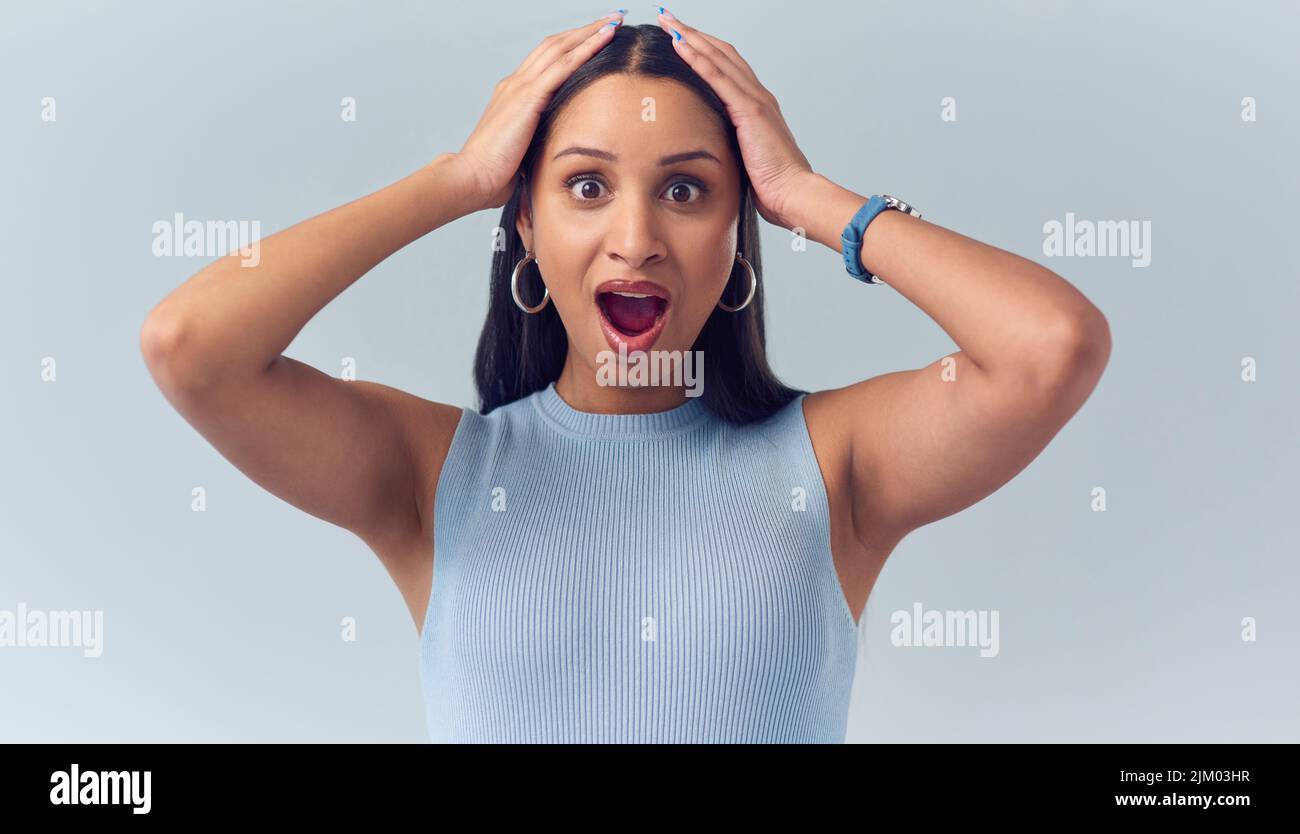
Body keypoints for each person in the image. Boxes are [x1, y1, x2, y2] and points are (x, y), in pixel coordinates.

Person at [140, 11, 1111, 742]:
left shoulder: (835, 466)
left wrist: (810, 198)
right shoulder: (434, 478)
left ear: (738, 232)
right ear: (526, 223)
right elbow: (190, 346)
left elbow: (1051, 346)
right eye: (586, 186)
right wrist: (462, 178)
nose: (636, 238)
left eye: (686, 190)